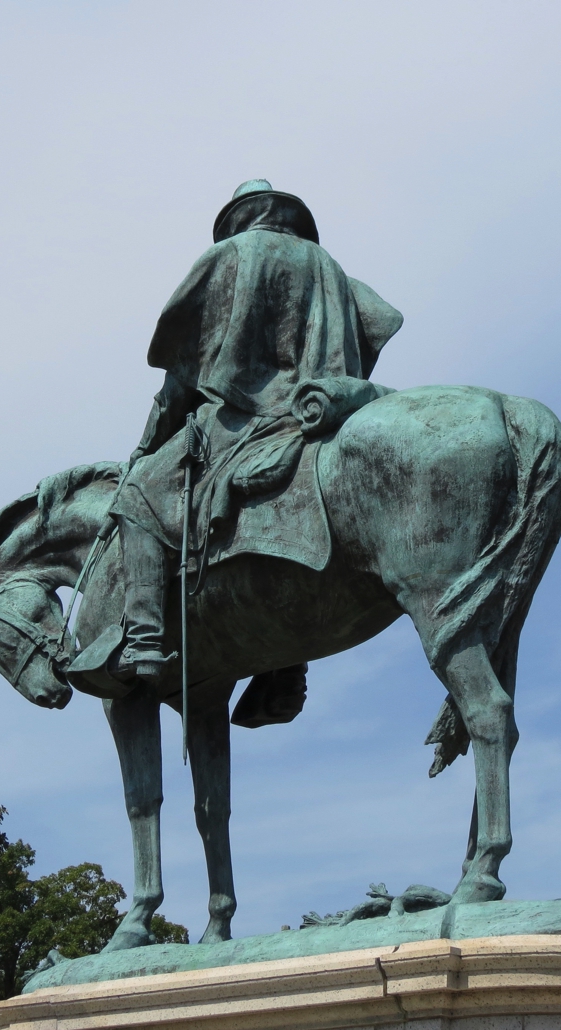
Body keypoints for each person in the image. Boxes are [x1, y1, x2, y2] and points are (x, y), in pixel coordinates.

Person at [109, 180, 403, 684]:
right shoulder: (328, 265)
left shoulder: (230, 255)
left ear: (236, 219)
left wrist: (144, 448)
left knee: (137, 496)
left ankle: (144, 639)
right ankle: (285, 672)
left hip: (248, 412)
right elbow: (369, 333)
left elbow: (183, 372)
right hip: (323, 405)